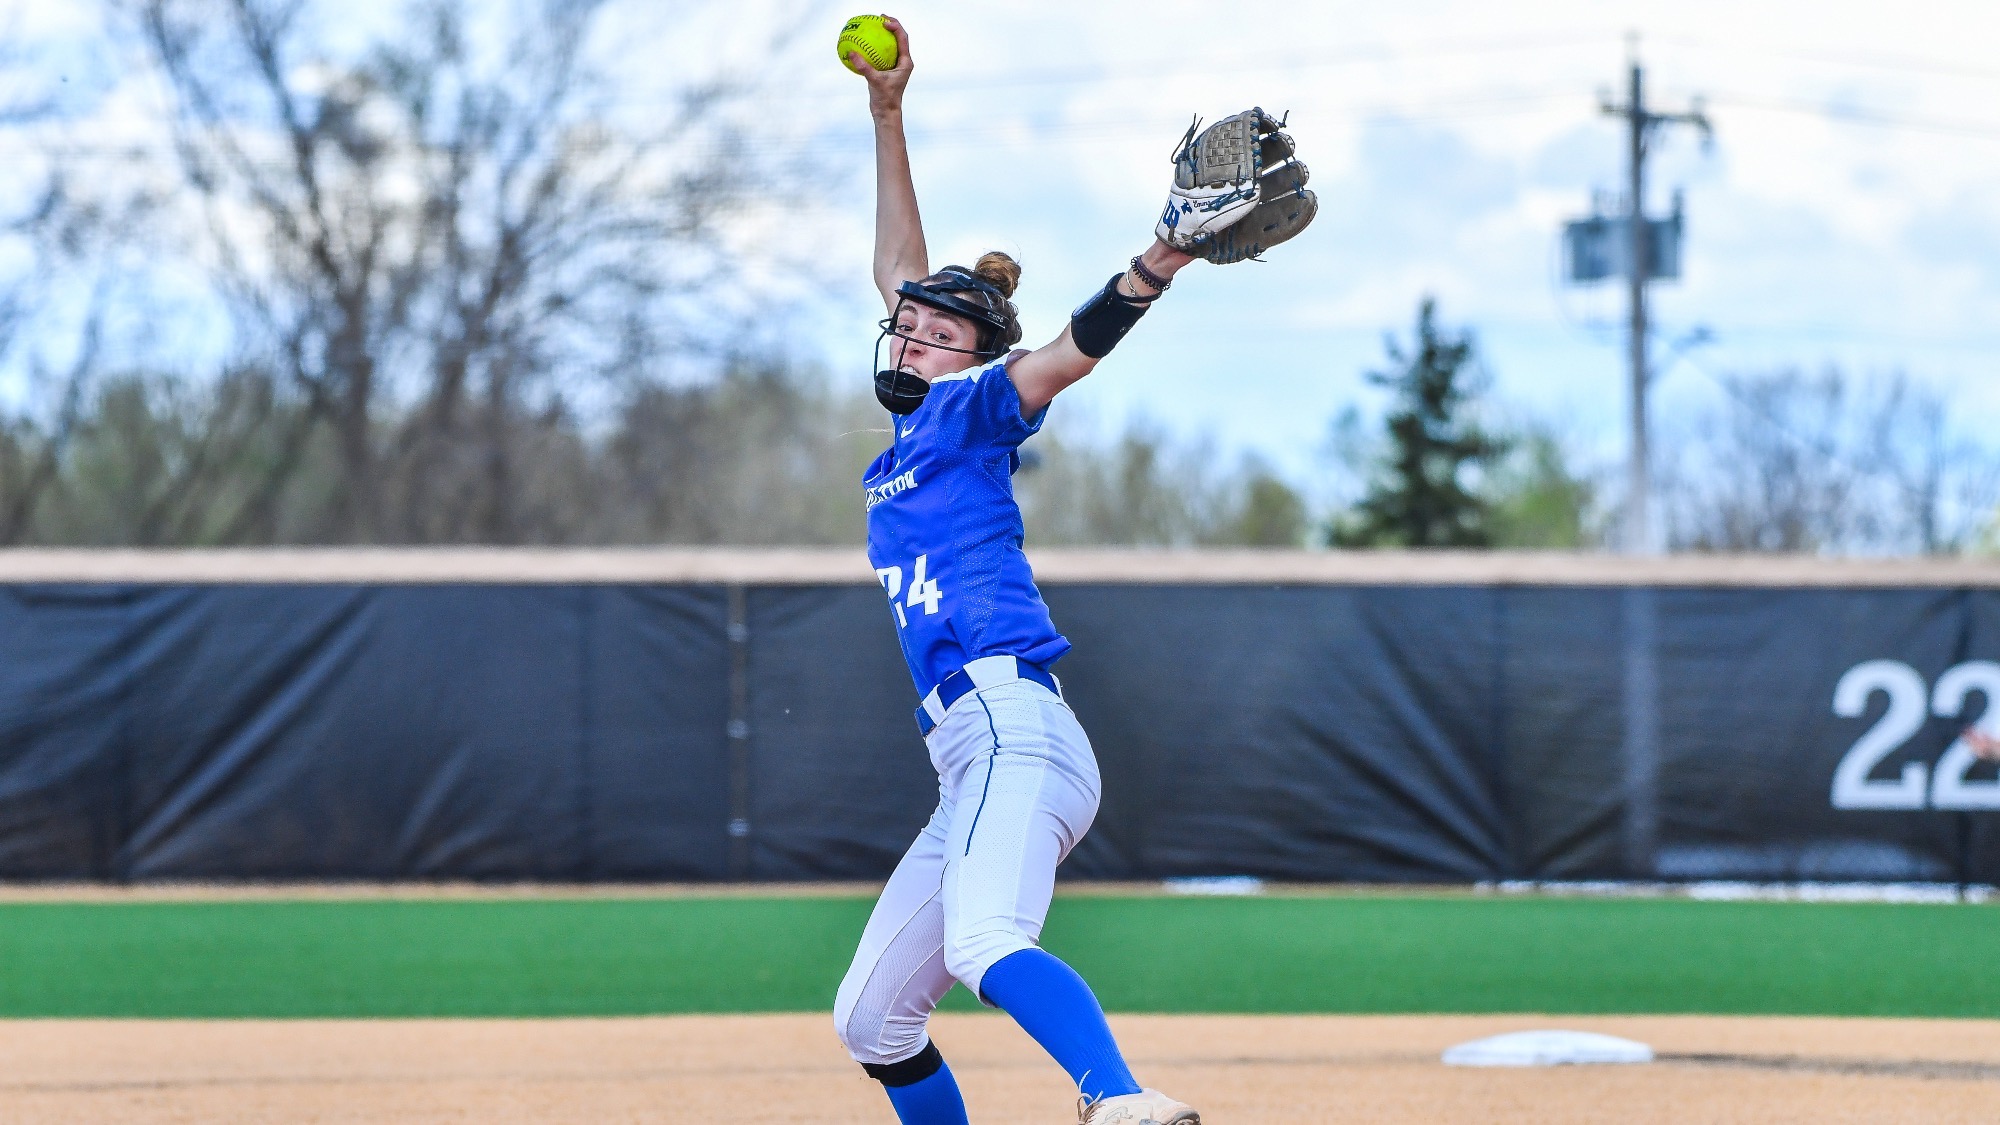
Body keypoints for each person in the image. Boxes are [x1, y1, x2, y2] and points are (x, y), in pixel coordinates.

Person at [831, 17, 1314, 1125]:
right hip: (967, 755)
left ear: (973, 357)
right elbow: (900, 274)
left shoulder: (971, 408)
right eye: (902, 331)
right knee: (871, 1019)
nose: (908, 340)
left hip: (1010, 719)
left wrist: (1162, 258)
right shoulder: (911, 429)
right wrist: (887, 114)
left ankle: (1119, 1098)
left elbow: (1064, 357)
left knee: (987, 938)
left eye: (934, 336)